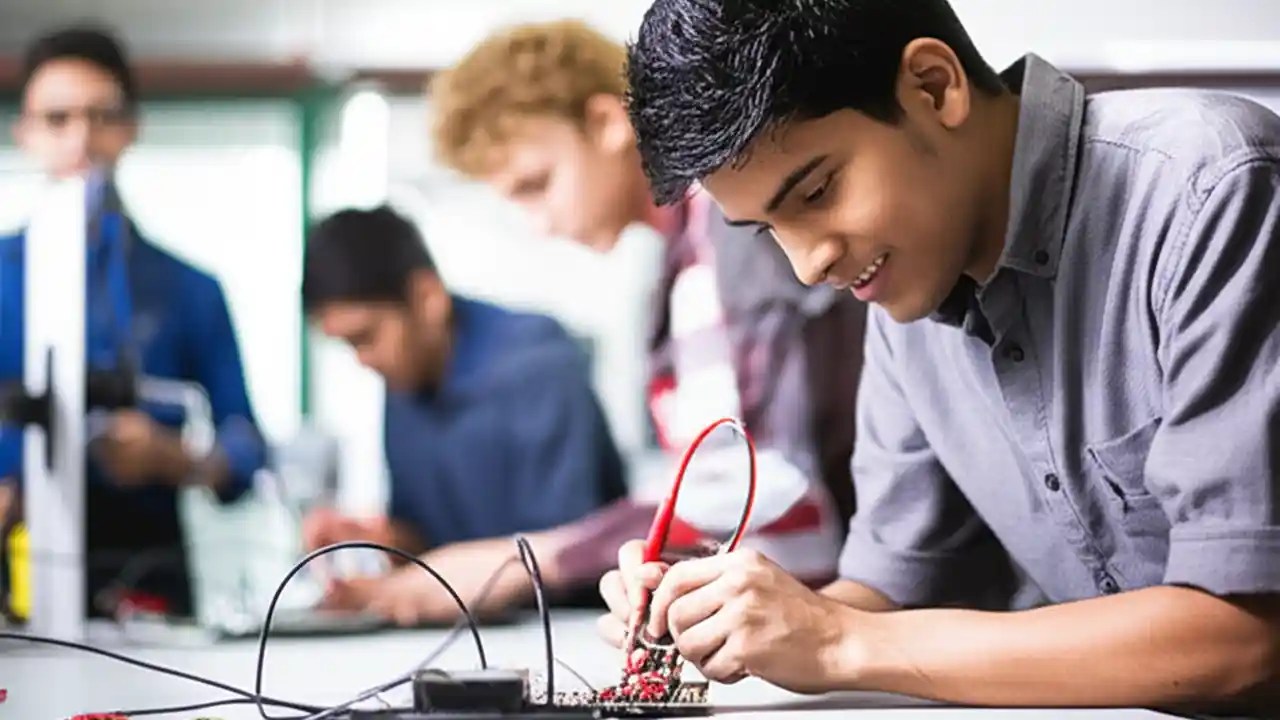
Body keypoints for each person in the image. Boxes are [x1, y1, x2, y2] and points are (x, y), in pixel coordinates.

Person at [597, 0, 1280, 713]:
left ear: (933, 86)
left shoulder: (1213, 189)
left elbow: (1246, 638)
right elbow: (887, 599)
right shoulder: (904, 287)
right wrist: (724, 618)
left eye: (817, 191)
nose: (808, 264)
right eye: (767, 230)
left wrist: (835, 641)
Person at [427, 19, 864, 592]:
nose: (540, 225)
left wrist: (537, 561)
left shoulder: (732, 228)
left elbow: (763, 479)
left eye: (537, 185)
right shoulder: (677, 263)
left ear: (607, 122)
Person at [0, 26, 267, 619]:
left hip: (151, 588)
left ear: (132, 127)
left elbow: (246, 446)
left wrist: (182, 458)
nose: (81, 139)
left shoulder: (189, 288)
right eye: (57, 118)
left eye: (102, 116)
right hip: (14, 580)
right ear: (24, 131)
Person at [299, 205, 628, 623]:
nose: (363, 361)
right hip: (464, 634)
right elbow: (429, 540)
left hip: (566, 631)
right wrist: (376, 539)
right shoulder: (404, 381)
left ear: (426, 297)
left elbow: (568, 555)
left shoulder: (537, 365)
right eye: (348, 346)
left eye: (366, 336)